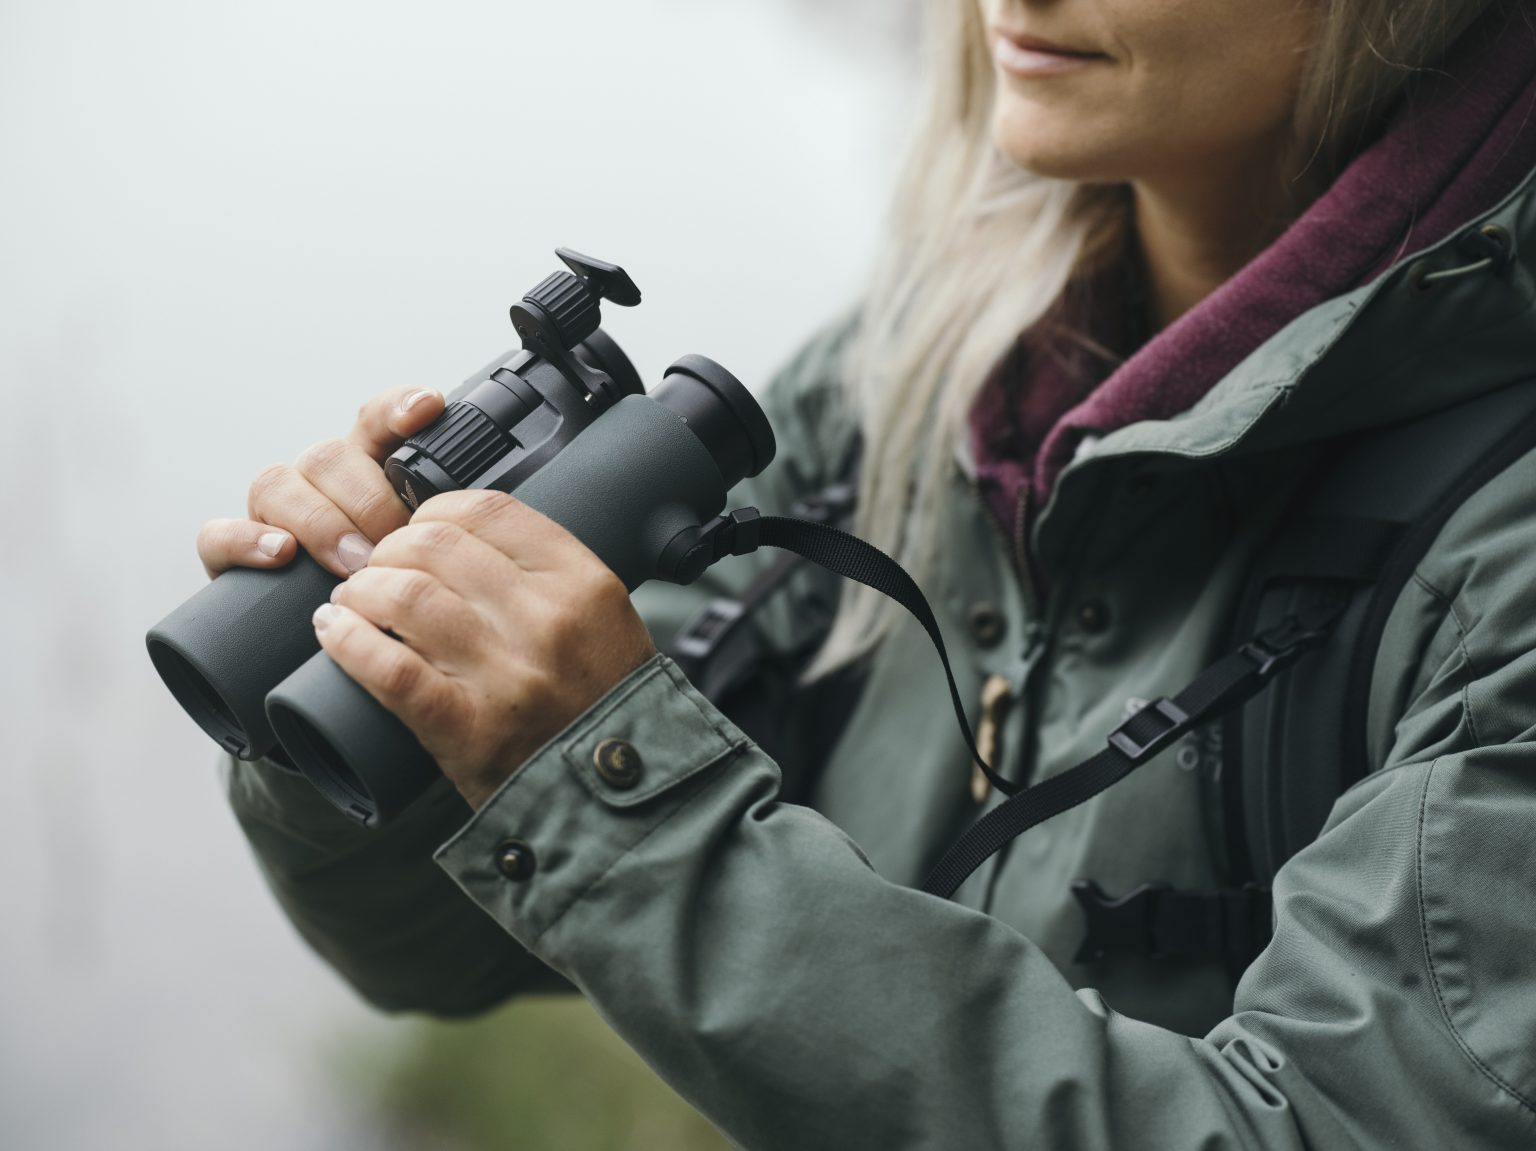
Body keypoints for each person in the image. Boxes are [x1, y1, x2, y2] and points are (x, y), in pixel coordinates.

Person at [200, 1, 1536, 1146]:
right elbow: (444, 953)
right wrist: (381, 671)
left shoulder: (1501, 546)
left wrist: (621, 793)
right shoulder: (912, 379)